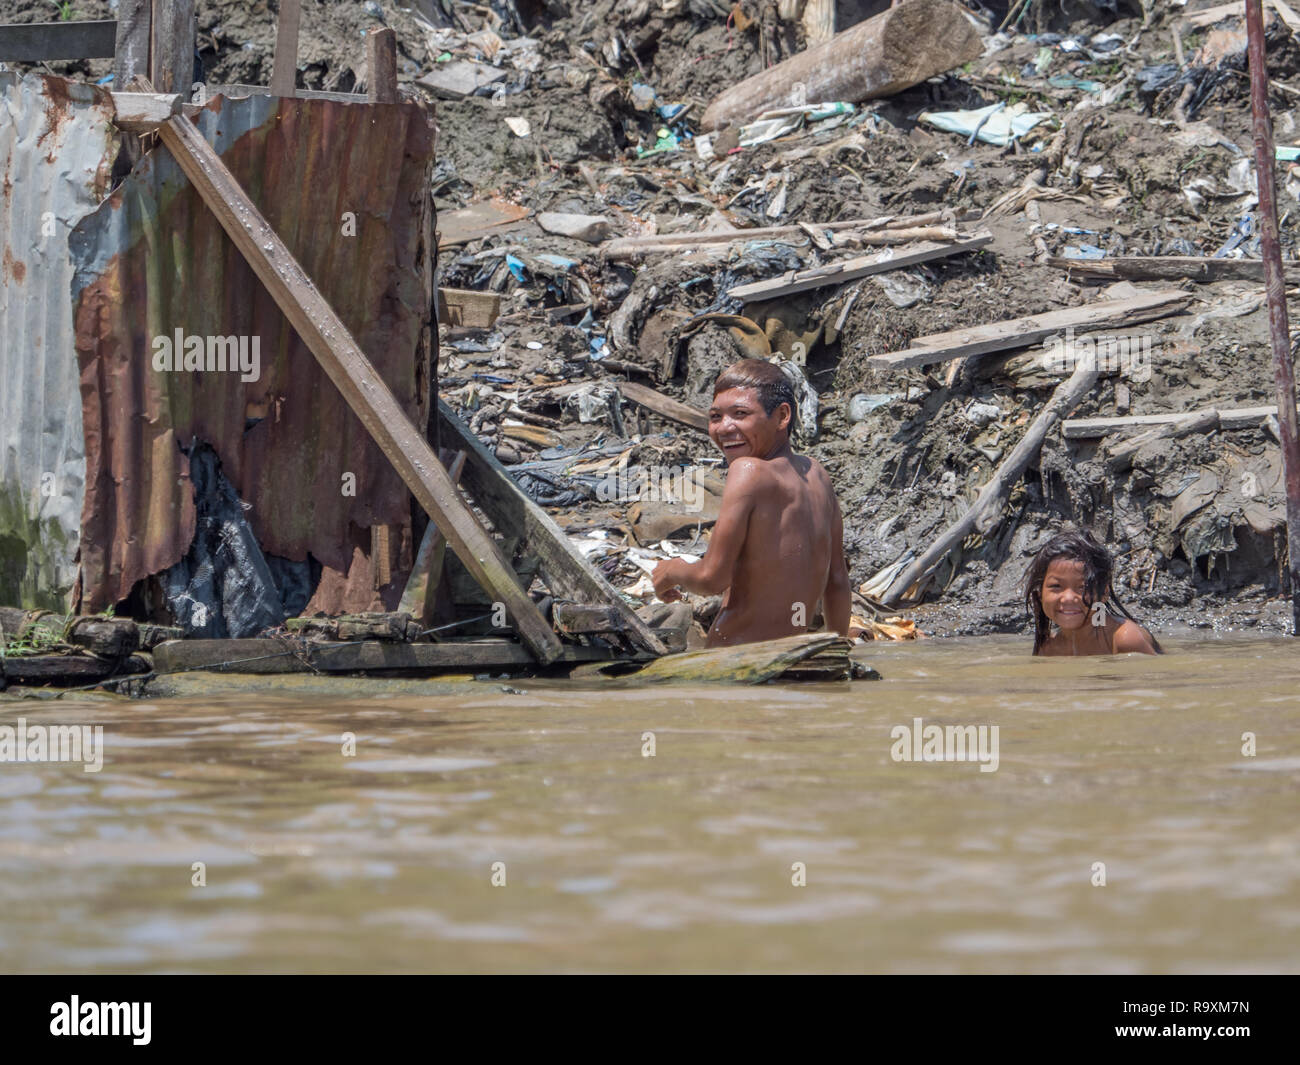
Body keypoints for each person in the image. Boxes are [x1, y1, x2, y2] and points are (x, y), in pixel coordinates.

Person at [651, 359, 850, 647]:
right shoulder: (817, 474)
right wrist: (837, 651)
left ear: (782, 416)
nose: (724, 428)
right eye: (716, 416)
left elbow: (710, 579)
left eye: (740, 414)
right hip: (790, 657)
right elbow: (838, 582)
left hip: (733, 660)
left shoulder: (747, 471)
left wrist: (671, 570)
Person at [1023, 528, 1161, 656]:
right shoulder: (1049, 648)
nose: (1068, 598)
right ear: (1040, 594)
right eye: (1056, 586)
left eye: (1082, 587)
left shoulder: (1126, 639)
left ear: (1104, 593)